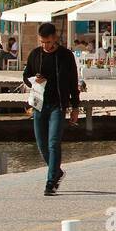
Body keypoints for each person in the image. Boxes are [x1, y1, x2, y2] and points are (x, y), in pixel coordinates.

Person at [22, 22, 81, 196]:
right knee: (41, 145)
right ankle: (57, 172)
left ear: (55, 38)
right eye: (42, 42)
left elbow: (73, 82)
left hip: (58, 105)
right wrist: (33, 79)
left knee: (54, 142)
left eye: (48, 42)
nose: (45, 46)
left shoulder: (66, 56)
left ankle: (50, 182)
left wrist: (75, 106)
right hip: (39, 103)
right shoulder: (35, 55)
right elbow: (26, 76)